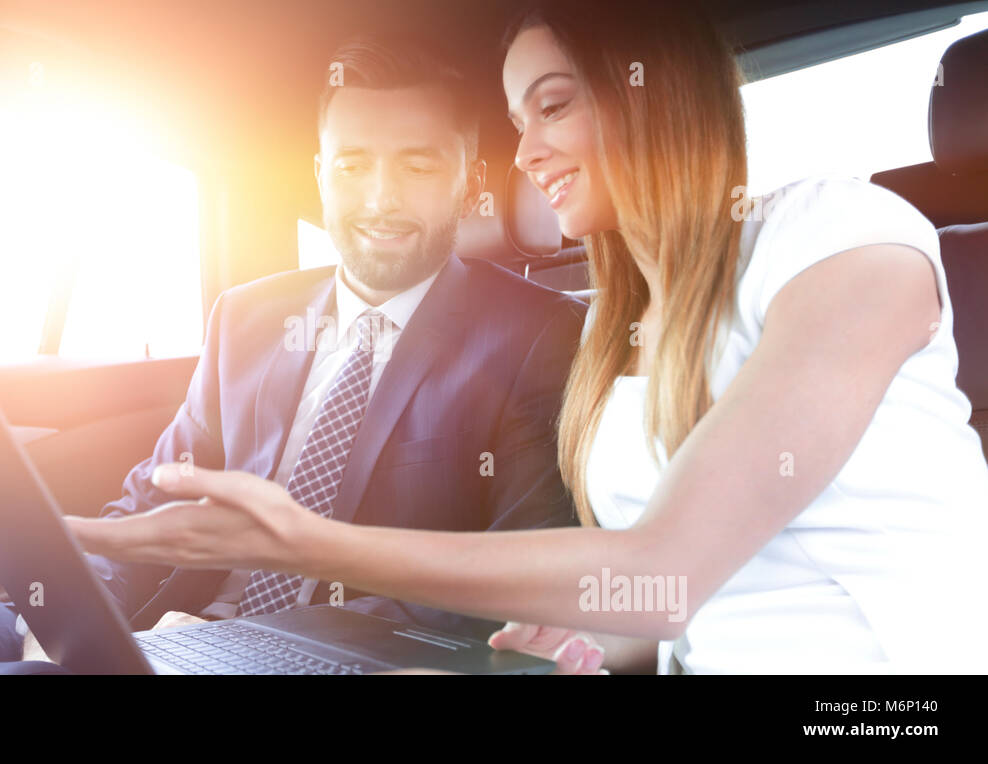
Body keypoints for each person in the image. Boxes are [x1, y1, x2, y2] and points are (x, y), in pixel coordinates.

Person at [64, 0, 988, 674]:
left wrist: (302, 545)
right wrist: (587, 638)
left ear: (652, 89)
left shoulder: (845, 235)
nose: (528, 150)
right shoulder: (619, 340)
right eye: (517, 121)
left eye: (553, 105)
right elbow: (660, 611)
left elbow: (665, 569)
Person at [0, 33, 599, 675]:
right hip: (151, 637)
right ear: (319, 174)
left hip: (316, 658)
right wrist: (63, 619)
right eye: (354, 165)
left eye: (417, 164)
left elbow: (508, 591)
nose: (380, 198)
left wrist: (238, 643)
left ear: (463, 174)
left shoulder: (535, 335)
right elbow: (146, 509)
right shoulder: (249, 318)